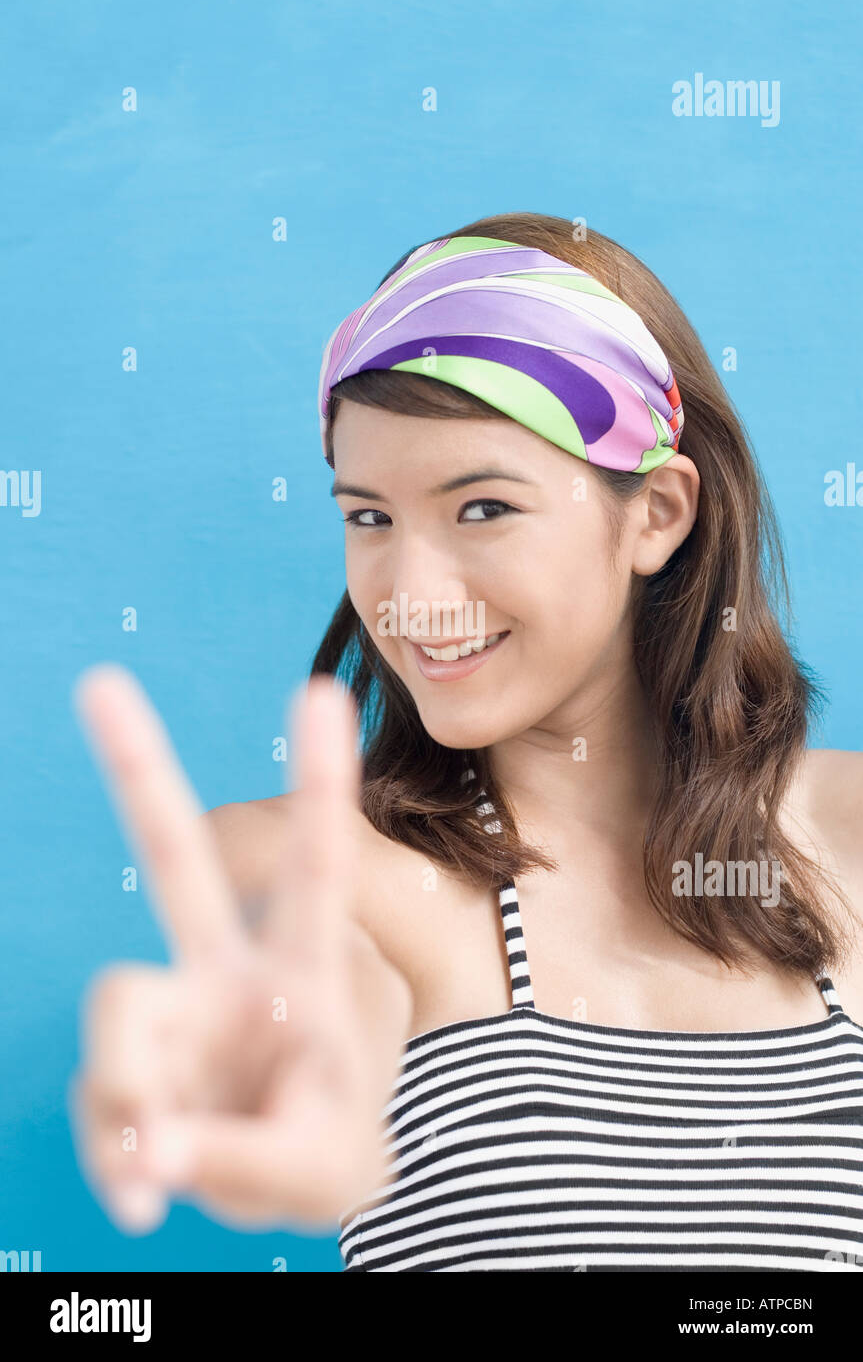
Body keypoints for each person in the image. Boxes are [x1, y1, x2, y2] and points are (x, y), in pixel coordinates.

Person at [70, 213, 863, 1271]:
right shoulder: (311, 869)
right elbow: (313, 1001)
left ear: (656, 515)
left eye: (481, 507)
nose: (409, 594)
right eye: (368, 517)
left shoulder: (846, 833)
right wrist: (272, 1082)